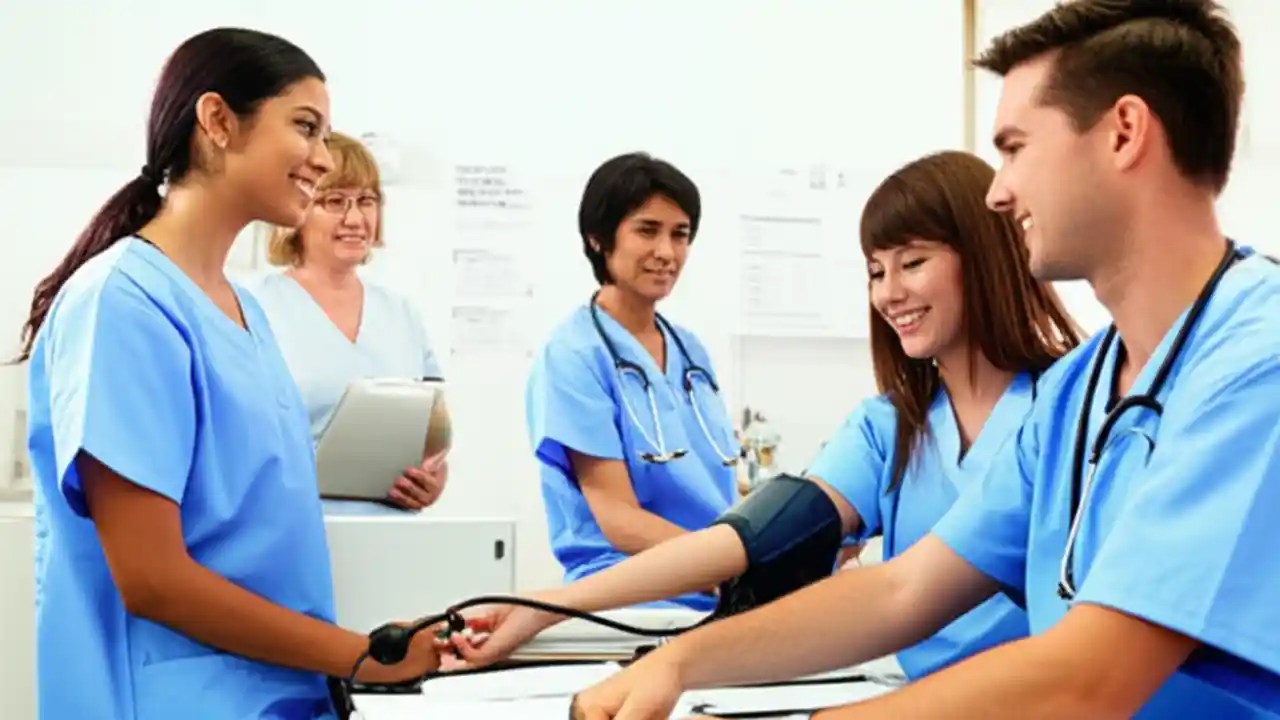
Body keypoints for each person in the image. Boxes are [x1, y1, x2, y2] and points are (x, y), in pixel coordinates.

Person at [566, 2, 1280, 718]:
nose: (999, 192)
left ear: (1124, 133)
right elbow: (906, 589)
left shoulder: (1260, 357)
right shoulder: (1075, 394)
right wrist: (679, 663)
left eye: (1015, 148)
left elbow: (1087, 677)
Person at [450, 151, 1081, 678]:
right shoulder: (887, 427)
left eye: (912, 263)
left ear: (987, 253)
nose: (889, 293)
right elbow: (752, 538)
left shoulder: (1072, 403)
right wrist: (545, 605)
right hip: (908, 691)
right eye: (874, 271)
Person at [21, 28, 439, 719]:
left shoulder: (242, 309)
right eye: (305, 128)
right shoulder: (124, 302)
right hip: (169, 697)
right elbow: (153, 580)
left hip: (276, 691)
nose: (322, 159)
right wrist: (362, 655)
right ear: (217, 121)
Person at [523, 152, 740, 612]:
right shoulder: (576, 354)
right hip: (631, 594)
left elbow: (710, 483)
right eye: (647, 230)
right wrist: (731, 563)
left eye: (680, 235)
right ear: (598, 238)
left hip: (715, 586)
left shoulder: (689, 351)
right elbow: (618, 518)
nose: (666, 252)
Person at [251, 131, 448, 514]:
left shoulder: (401, 313)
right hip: (292, 526)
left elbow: (434, 433)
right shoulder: (254, 306)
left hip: (391, 528)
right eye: (335, 201)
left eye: (367, 201)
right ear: (298, 212)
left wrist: (432, 480)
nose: (355, 218)